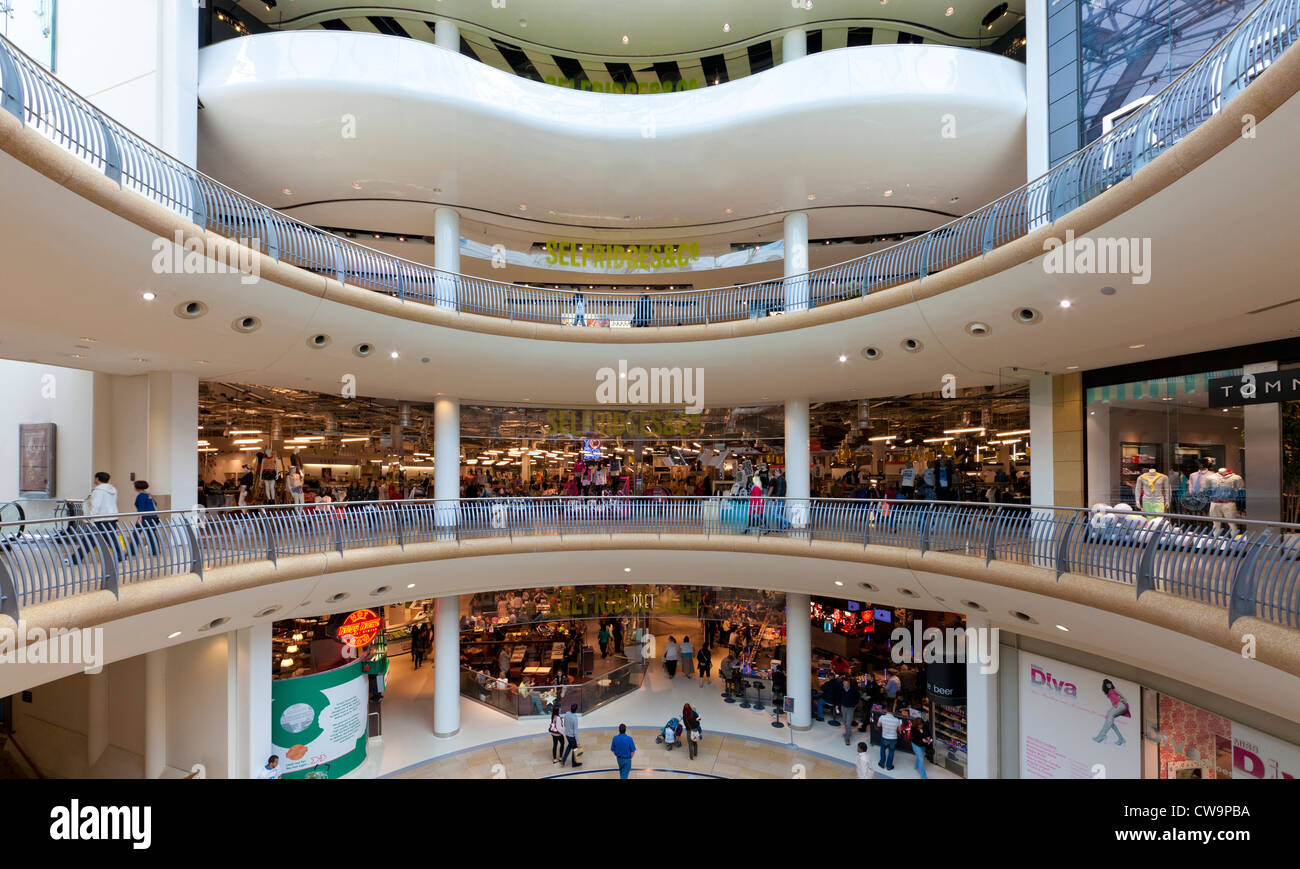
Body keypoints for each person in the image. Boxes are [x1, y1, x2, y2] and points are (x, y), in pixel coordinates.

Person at [128, 479, 161, 557]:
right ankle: (155, 551)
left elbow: (141, 508)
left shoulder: (140, 496)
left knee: (135, 534)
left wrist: (139, 518)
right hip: (154, 517)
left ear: (137, 487)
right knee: (152, 534)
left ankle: (132, 551)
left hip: (145, 518)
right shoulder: (149, 495)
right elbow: (155, 504)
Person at [1093, 679, 1131, 746]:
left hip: (1120, 705)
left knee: (1109, 717)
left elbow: (1124, 698)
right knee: (1109, 719)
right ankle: (1121, 739)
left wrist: (1123, 700)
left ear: (1111, 683)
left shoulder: (1114, 689)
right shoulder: (1108, 692)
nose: (1109, 685)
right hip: (1116, 706)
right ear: (1105, 686)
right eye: (1107, 684)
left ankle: (1102, 735)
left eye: (1109, 683)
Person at [909, 713, 932, 779]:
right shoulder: (913, 728)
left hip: (923, 745)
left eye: (921, 724)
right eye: (919, 725)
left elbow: (928, 733)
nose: (921, 726)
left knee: (920, 757)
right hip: (916, 745)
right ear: (916, 725)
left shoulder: (925, 726)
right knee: (921, 759)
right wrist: (922, 740)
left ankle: (916, 766)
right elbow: (915, 739)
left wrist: (928, 737)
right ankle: (924, 776)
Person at [839, 676, 861, 744]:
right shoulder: (841, 689)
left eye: (847, 683)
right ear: (843, 683)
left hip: (850, 708)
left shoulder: (853, 690)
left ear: (849, 684)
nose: (846, 685)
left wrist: (854, 704)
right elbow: (838, 697)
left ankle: (847, 738)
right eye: (844, 683)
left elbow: (857, 697)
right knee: (845, 721)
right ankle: (848, 732)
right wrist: (838, 704)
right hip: (843, 707)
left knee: (848, 723)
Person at [879, 706, 902, 771]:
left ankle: (882, 764)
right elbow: (900, 730)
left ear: (886, 711)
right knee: (891, 752)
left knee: (883, 750)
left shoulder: (882, 717)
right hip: (893, 739)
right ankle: (889, 766)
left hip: (884, 737)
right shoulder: (897, 720)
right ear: (893, 712)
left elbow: (878, 725)